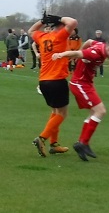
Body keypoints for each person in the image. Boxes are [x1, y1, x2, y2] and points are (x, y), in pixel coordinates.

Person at [51, 36, 109, 161]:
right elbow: (77, 53)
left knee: (94, 112)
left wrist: (80, 55)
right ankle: (83, 143)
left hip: (87, 84)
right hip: (80, 84)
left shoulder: (101, 46)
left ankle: (82, 143)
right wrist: (60, 55)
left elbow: (90, 41)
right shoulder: (94, 54)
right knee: (101, 111)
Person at [29, 12, 79, 157]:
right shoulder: (59, 36)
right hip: (57, 80)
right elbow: (73, 21)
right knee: (63, 113)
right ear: (61, 26)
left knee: (55, 112)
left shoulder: (43, 37)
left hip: (44, 81)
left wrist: (42, 21)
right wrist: (59, 18)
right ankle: (42, 138)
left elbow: (31, 31)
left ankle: (54, 144)